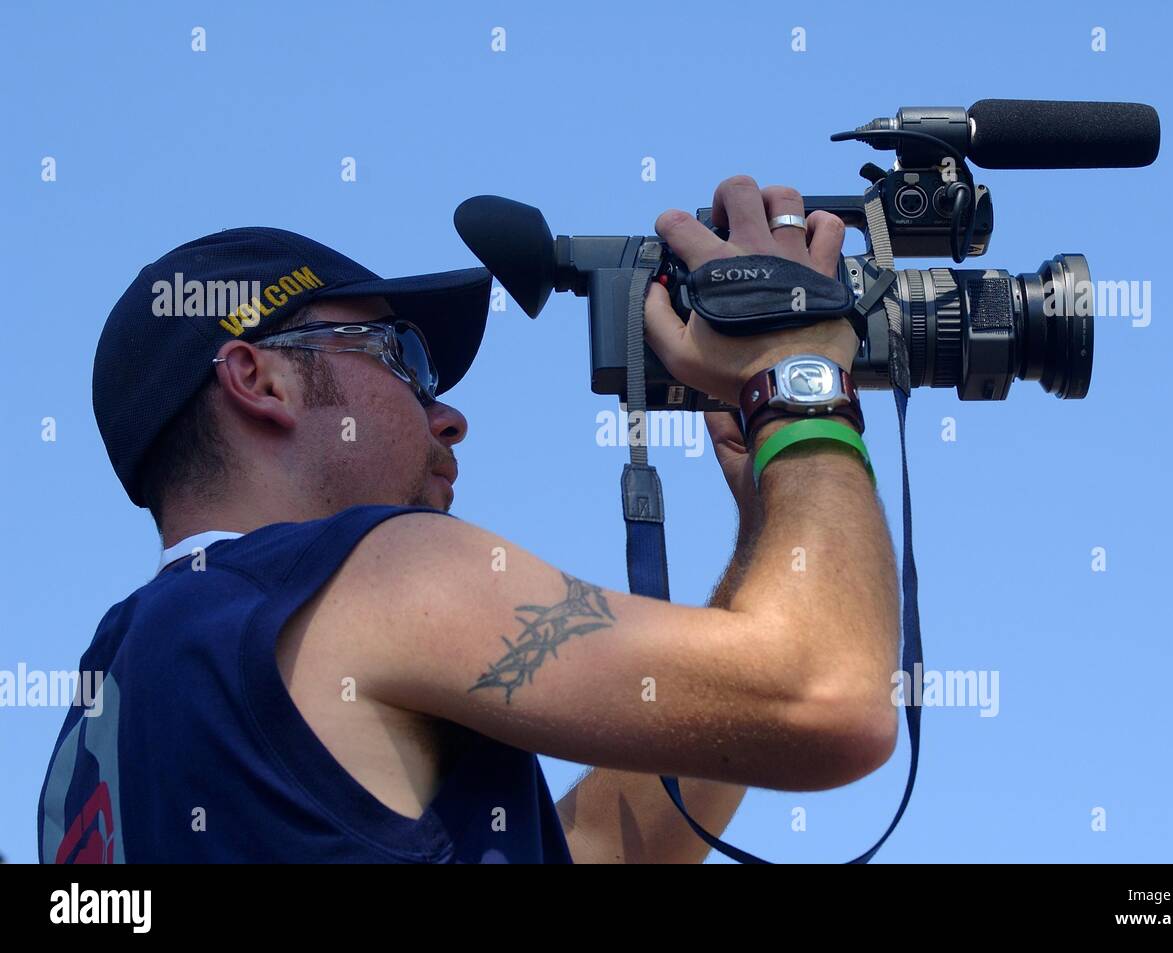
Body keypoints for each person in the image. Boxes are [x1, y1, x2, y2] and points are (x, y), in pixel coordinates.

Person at [38, 174, 900, 864]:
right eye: (403, 357)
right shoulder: (376, 571)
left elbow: (599, 846)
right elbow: (827, 695)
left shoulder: (103, 722)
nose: (447, 417)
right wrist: (797, 374)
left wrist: (768, 527)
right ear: (260, 380)